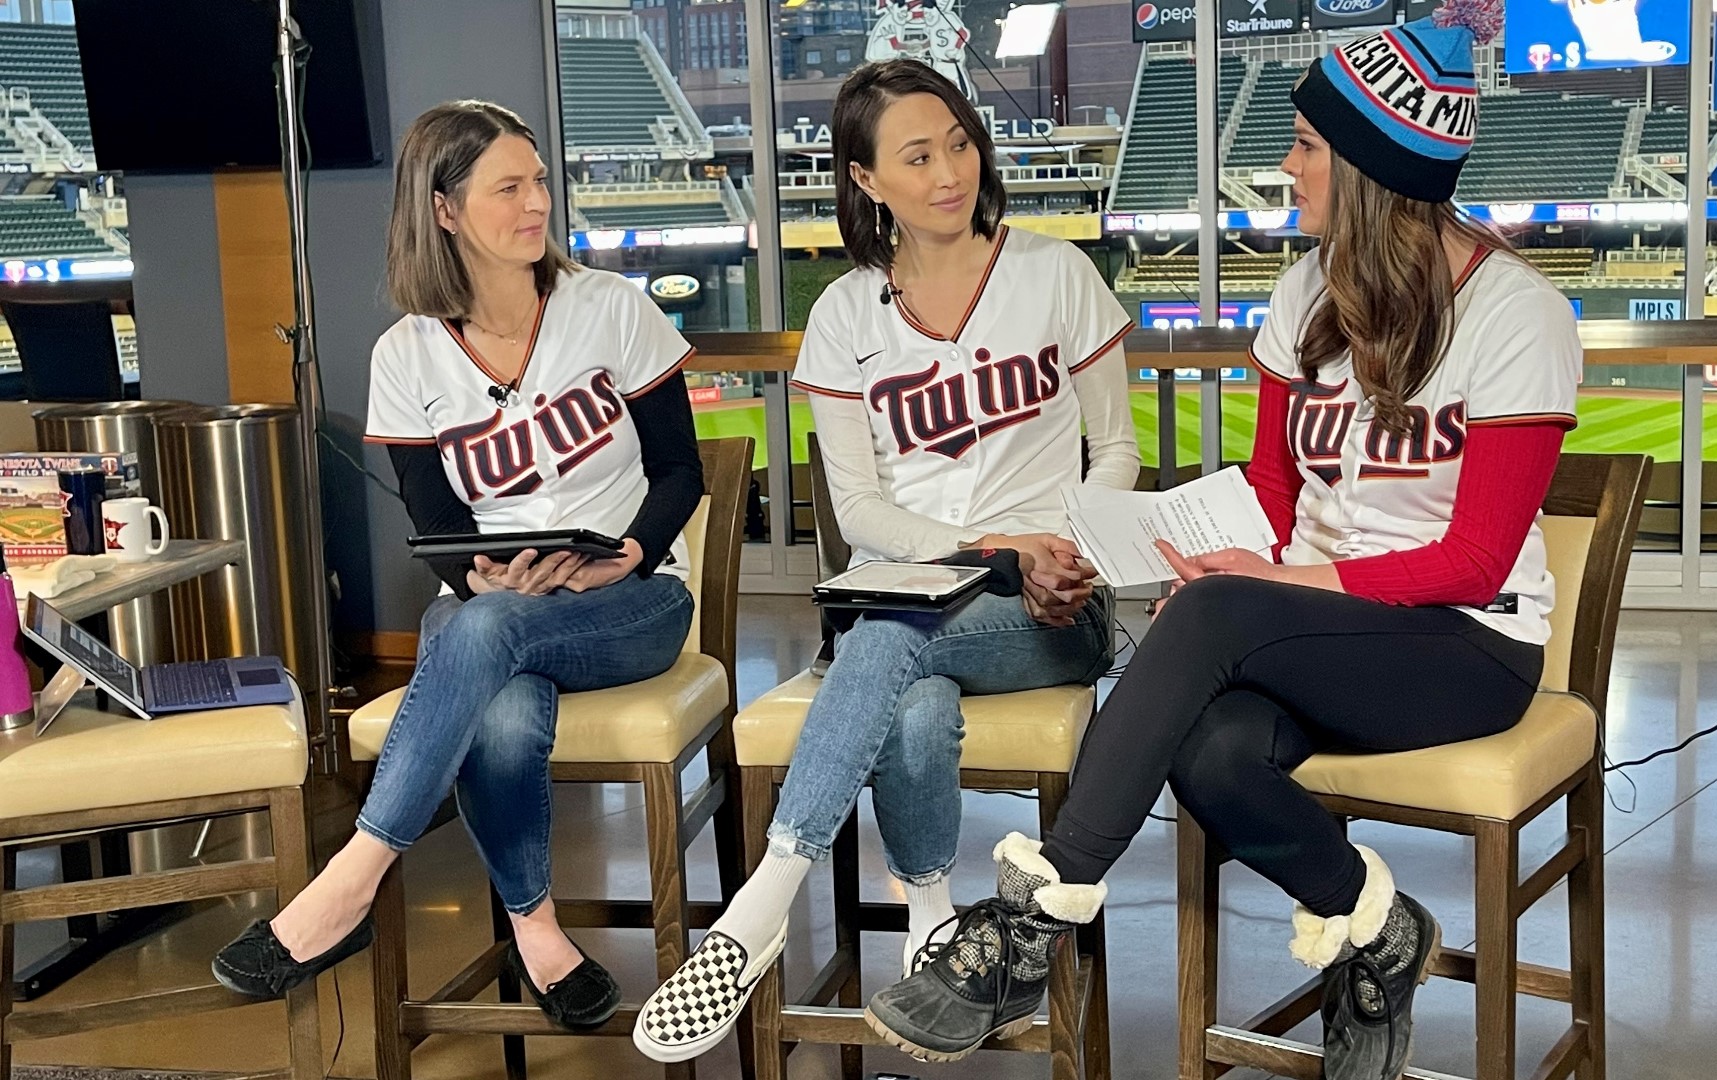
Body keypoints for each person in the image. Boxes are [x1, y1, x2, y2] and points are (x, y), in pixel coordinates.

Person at [864, 2, 1582, 1077]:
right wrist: (1187, 544)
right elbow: (1272, 491)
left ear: (1372, 171)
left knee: (1215, 620)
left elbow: (1477, 561)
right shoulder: (1305, 293)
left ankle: (1031, 919)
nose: (1284, 165)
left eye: (1304, 147)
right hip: (1327, 628)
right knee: (1206, 754)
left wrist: (1269, 585)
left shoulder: (1515, 313)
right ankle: (1379, 931)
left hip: (1466, 648)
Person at [633, 58, 1137, 1063]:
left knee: (886, 640)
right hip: (918, 589)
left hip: (1050, 605)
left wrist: (1070, 544)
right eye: (918, 155)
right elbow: (857, 507)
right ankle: (932, 924)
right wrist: (977, 547)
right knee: (905, 678)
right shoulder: (844, 317)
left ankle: (761, 903)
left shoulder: (1053, 273)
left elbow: (1115, 447)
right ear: (867, 182)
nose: (951, 170)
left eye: (959, 142)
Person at [211, 100, 704, 1032]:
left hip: (632, 600)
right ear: (443, 210)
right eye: (508, 187)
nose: (537, 204)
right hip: (497, 608)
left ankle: (349, 882)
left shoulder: (611, 309)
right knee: (500, 688)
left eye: (539, 181)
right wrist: (478, 578)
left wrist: (627, 555)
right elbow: (436, 517)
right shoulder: (404, 352)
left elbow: (679, 467)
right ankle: (540, 931)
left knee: (481, 639)